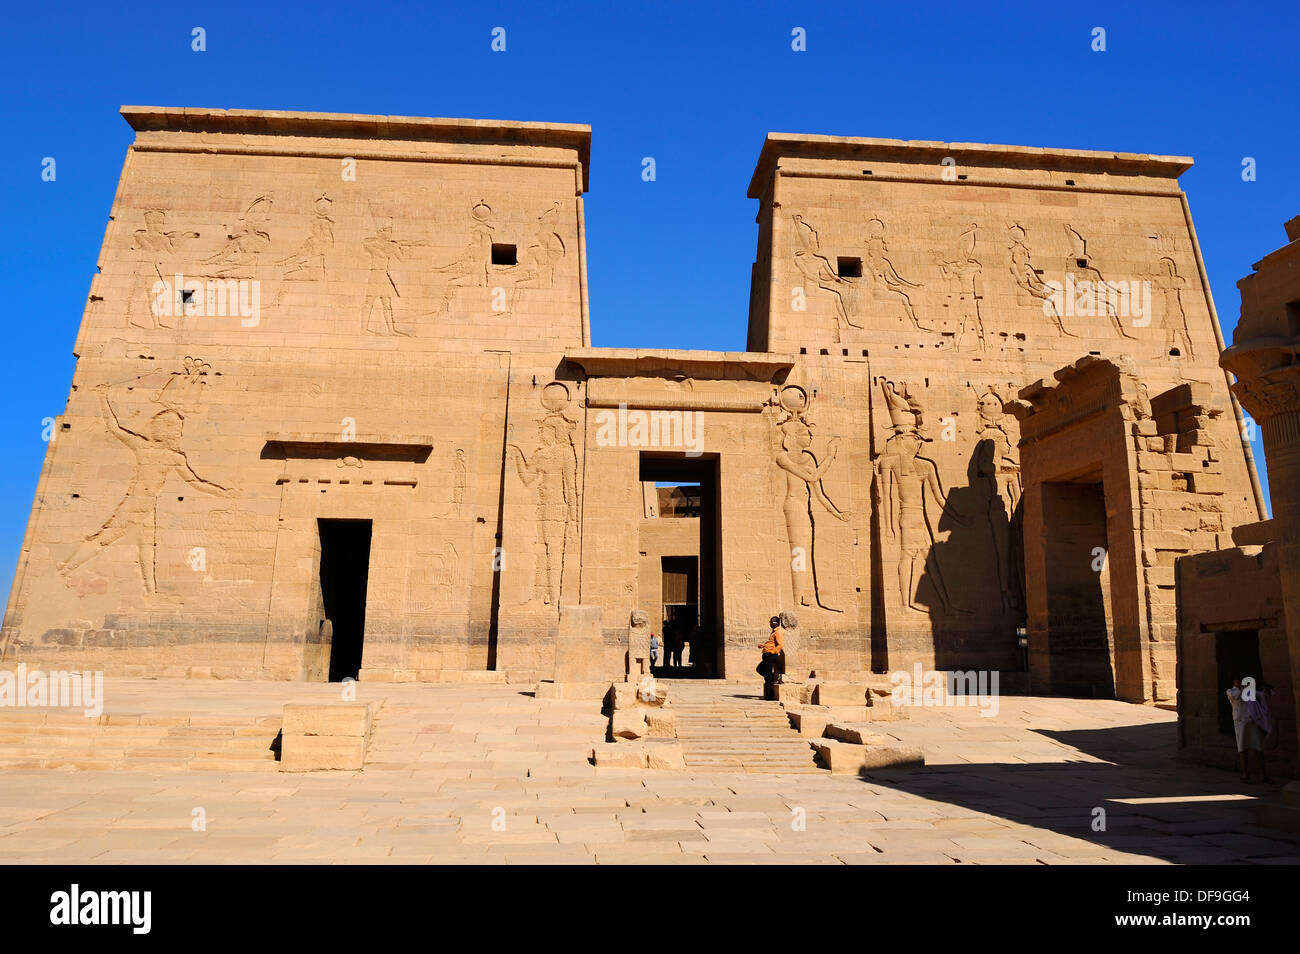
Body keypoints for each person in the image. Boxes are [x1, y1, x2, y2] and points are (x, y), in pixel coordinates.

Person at [1227, 677, 1275, 783]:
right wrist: (1247, 687)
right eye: (1237, 680)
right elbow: (1236, 696)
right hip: (1240, 723)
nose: (1239, 682)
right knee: (1243, 749)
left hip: (1252, 722)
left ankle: (1263, 775)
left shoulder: (1249, 691)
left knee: (1258, 748)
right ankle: (1245, 774)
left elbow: (1265, 695)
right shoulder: (1231, 691)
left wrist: (1265, 688)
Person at [757, 616, 784, 696]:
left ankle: (770, 695)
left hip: (771, 656)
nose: (770, 623)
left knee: (767, 675)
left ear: (775, 623)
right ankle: (773, 678)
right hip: (767, 654)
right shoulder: (773, 632)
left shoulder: (778, 632)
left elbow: (780, 645)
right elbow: (772, 643)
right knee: (760, 669)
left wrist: (772, 652)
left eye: (771, 622)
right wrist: (764, 646)